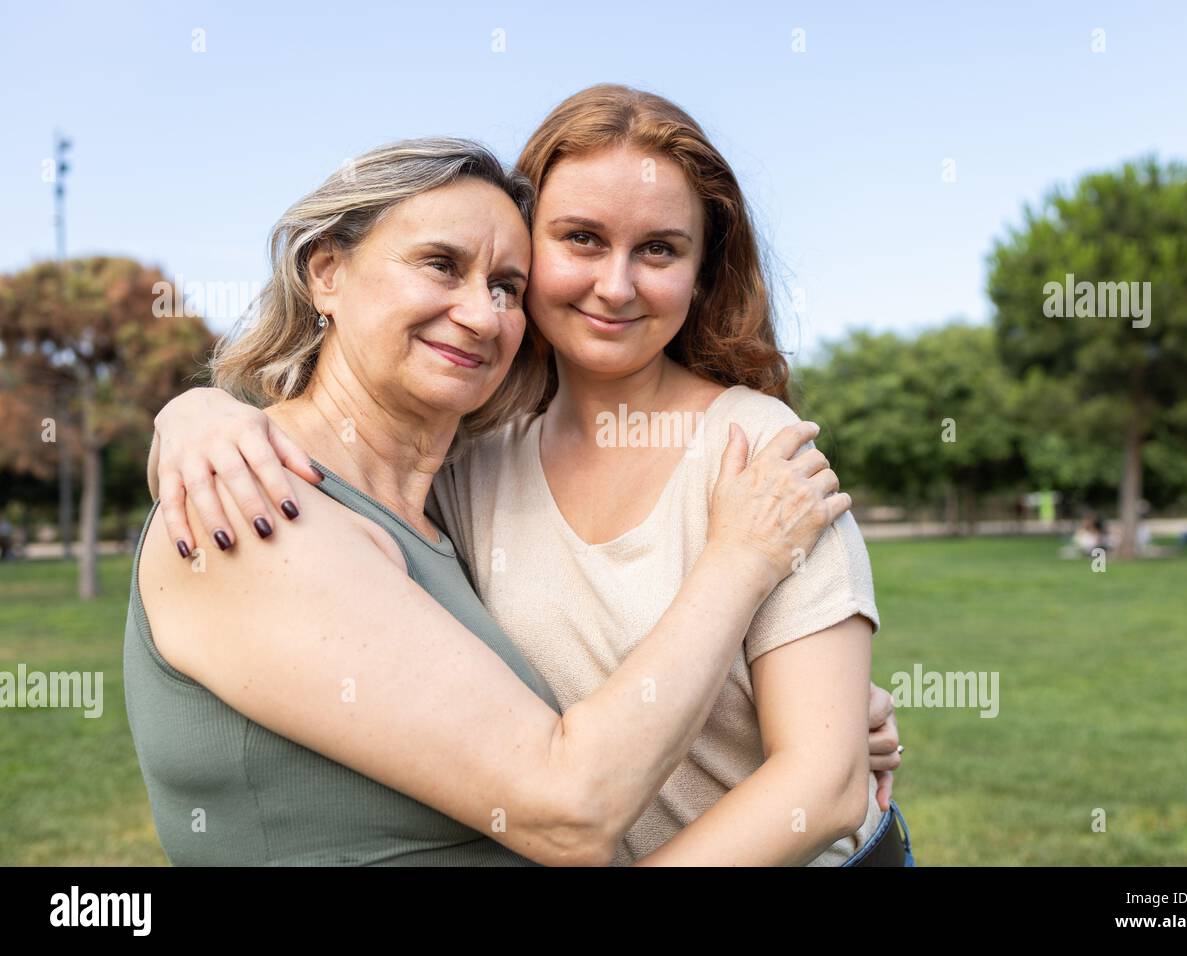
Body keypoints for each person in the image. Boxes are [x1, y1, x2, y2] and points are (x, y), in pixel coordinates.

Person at [148, 86, 913, 866]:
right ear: (326, 272)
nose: (616, 285)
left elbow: (821, 783)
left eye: (659, 249)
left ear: (700, 272)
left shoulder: (755, 448)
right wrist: (194, 412)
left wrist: (832, 719)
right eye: (581, 239)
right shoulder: (468, 465)